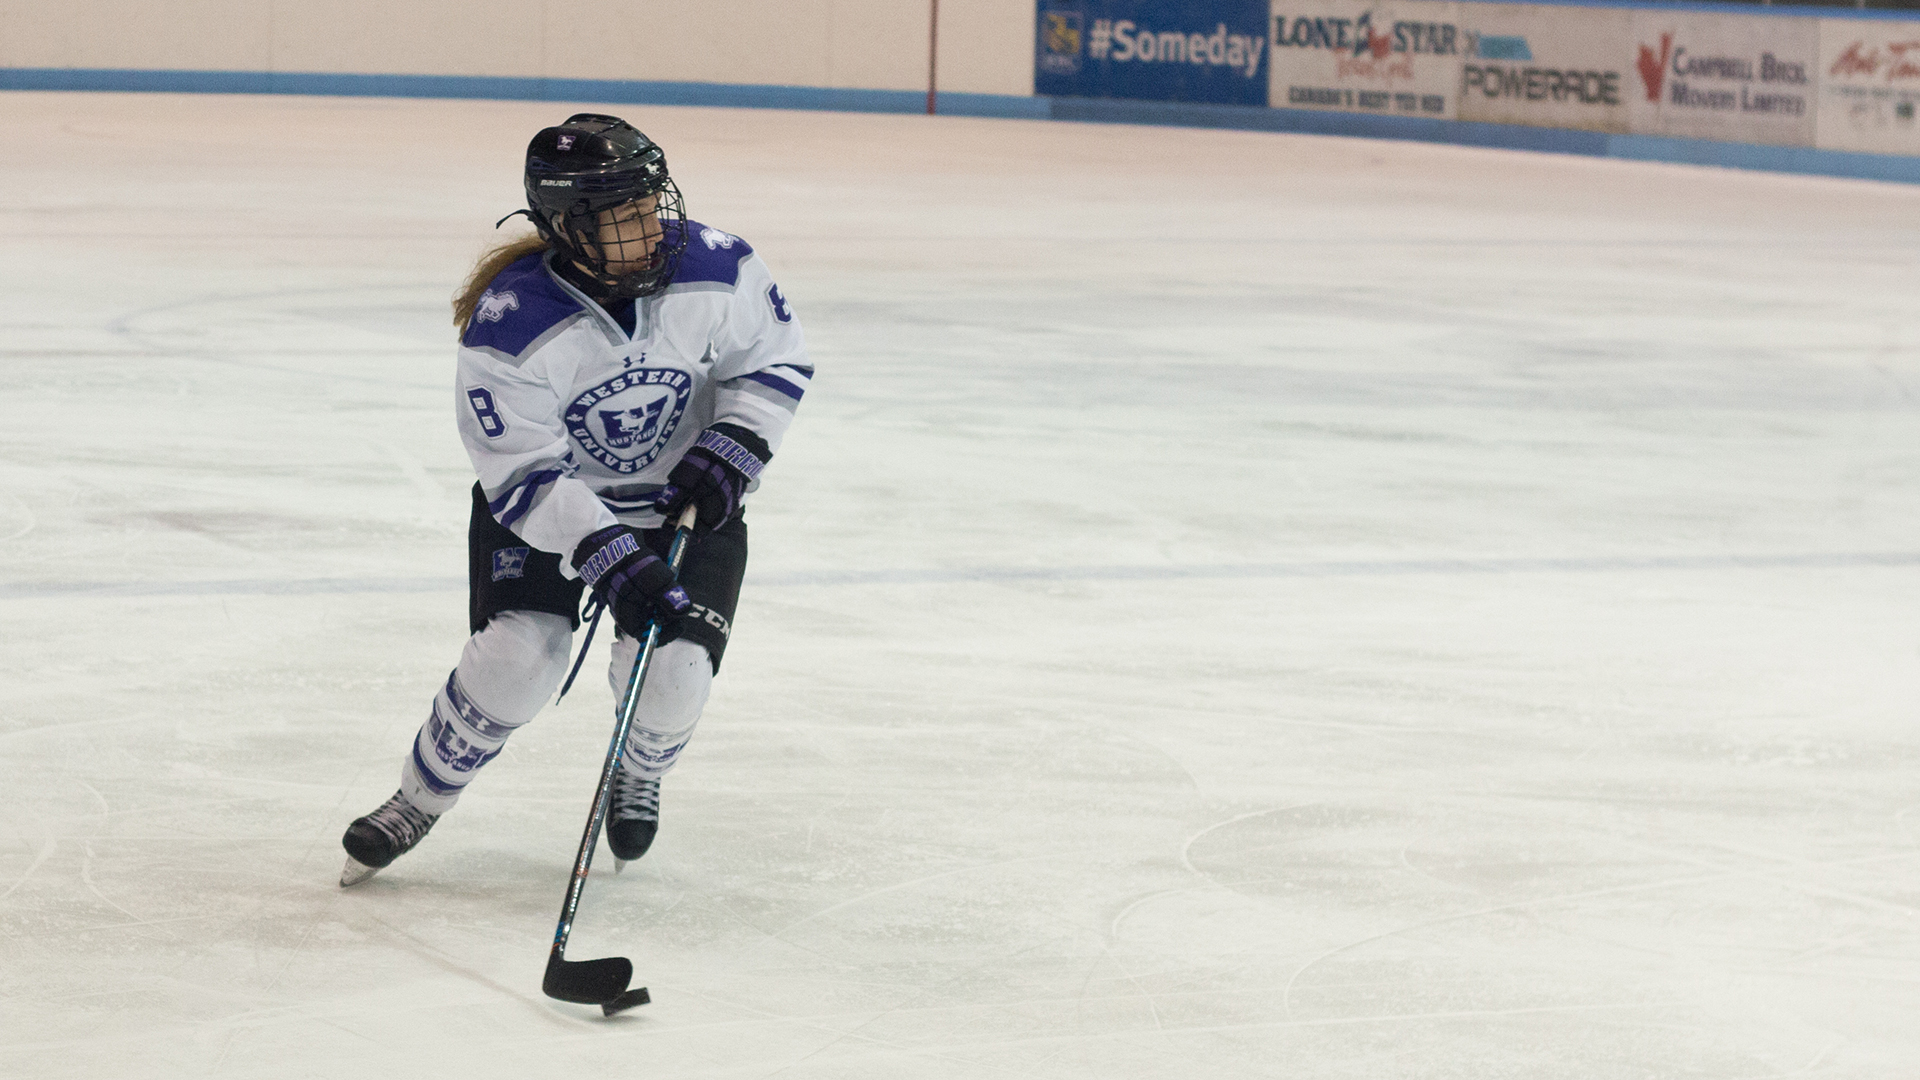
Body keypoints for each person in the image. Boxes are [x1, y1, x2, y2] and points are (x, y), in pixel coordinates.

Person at [338, 113, 811, 886]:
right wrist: (606, 549)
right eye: (623, 217)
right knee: (519, 659)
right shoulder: (512, 320)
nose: (651, 229)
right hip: (552, 512)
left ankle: (640, 771)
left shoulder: (721, 266)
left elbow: (774, 359)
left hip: (680, 505)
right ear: (568, 227)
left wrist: (737, 442)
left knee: (675, 672)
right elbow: (521, 471)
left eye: (650, 205)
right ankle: (418, 799)